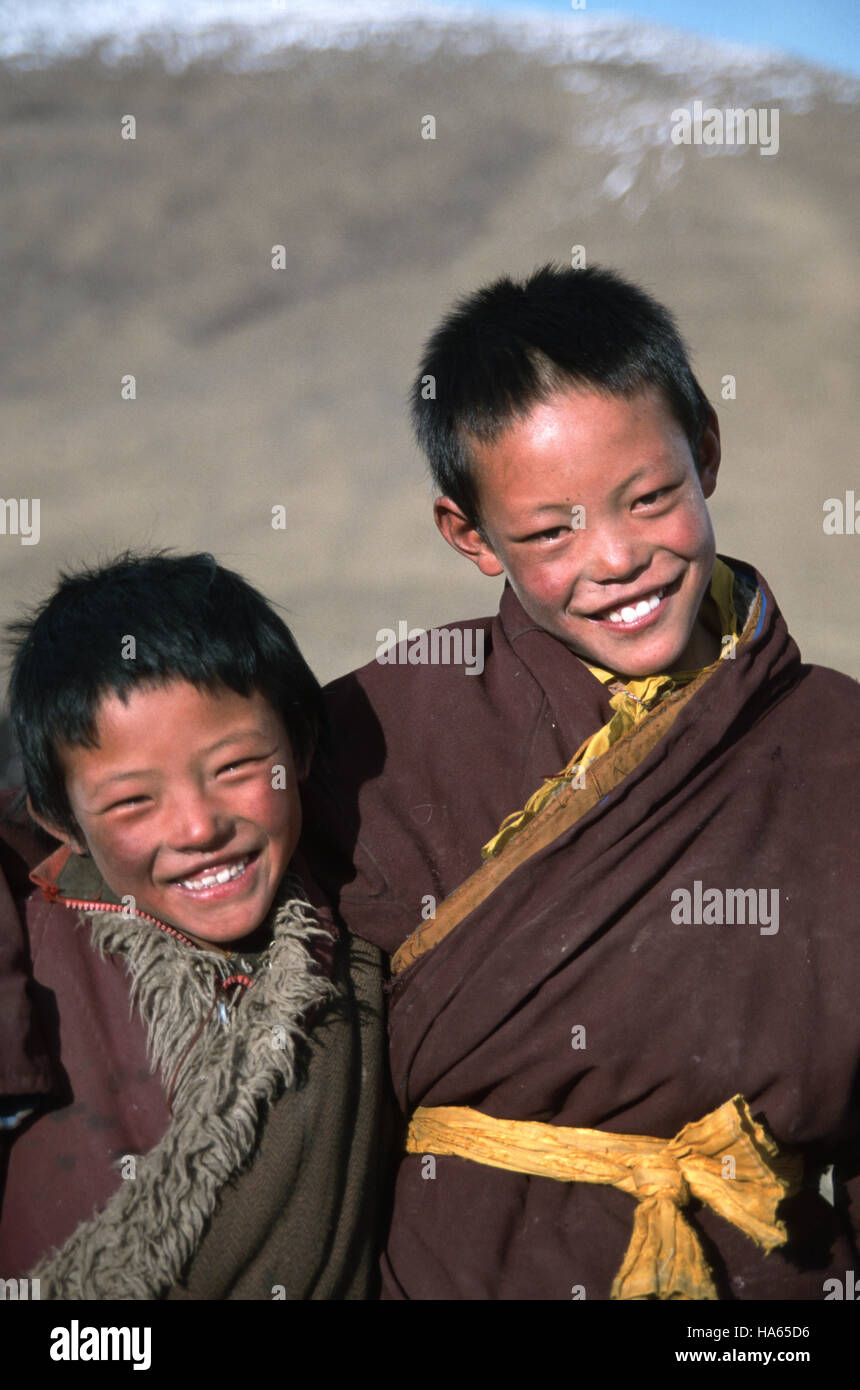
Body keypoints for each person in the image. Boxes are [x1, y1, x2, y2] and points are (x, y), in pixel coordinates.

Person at [302, 264, 860, 1300]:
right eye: (549, 531)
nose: (614, 557)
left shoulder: (834, 744)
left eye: (648, 498)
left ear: (704, 453)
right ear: (468, 534)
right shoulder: (382, 730)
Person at [0, 551, 387, 1300]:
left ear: (302, 746)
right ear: (61, 823)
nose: (198, 826)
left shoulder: (359, 931)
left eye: (237, 766)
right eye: (131, 804)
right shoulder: (39, 961)